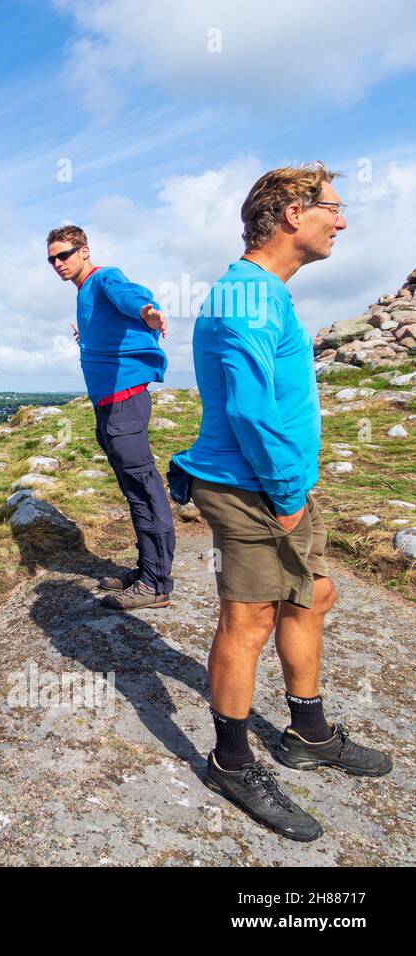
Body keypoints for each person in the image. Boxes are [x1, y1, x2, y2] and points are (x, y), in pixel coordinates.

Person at [171, 162, 391, 842]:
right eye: (334, 207)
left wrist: (295, 487)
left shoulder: (266, 293)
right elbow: (248, 409)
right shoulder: (244, 298)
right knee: (250, 620)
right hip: (253, 488)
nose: (343, 221)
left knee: (311, 596)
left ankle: (307, 733)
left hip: (282, 483)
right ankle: (232, 762)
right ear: (294, 212)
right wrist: (289, 496)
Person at [47, 225, 175, 610]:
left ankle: (157, 584)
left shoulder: (104, 278)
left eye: (64, 254)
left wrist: (148, 313)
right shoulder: (84, 294)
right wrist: (85, 337)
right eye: (51, 259)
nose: (57, 264)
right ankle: (147, 570)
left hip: (125, 401)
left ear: (84, 250)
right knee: (131, 487)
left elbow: (130, 295)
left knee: (142, 486)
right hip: (109, 403)